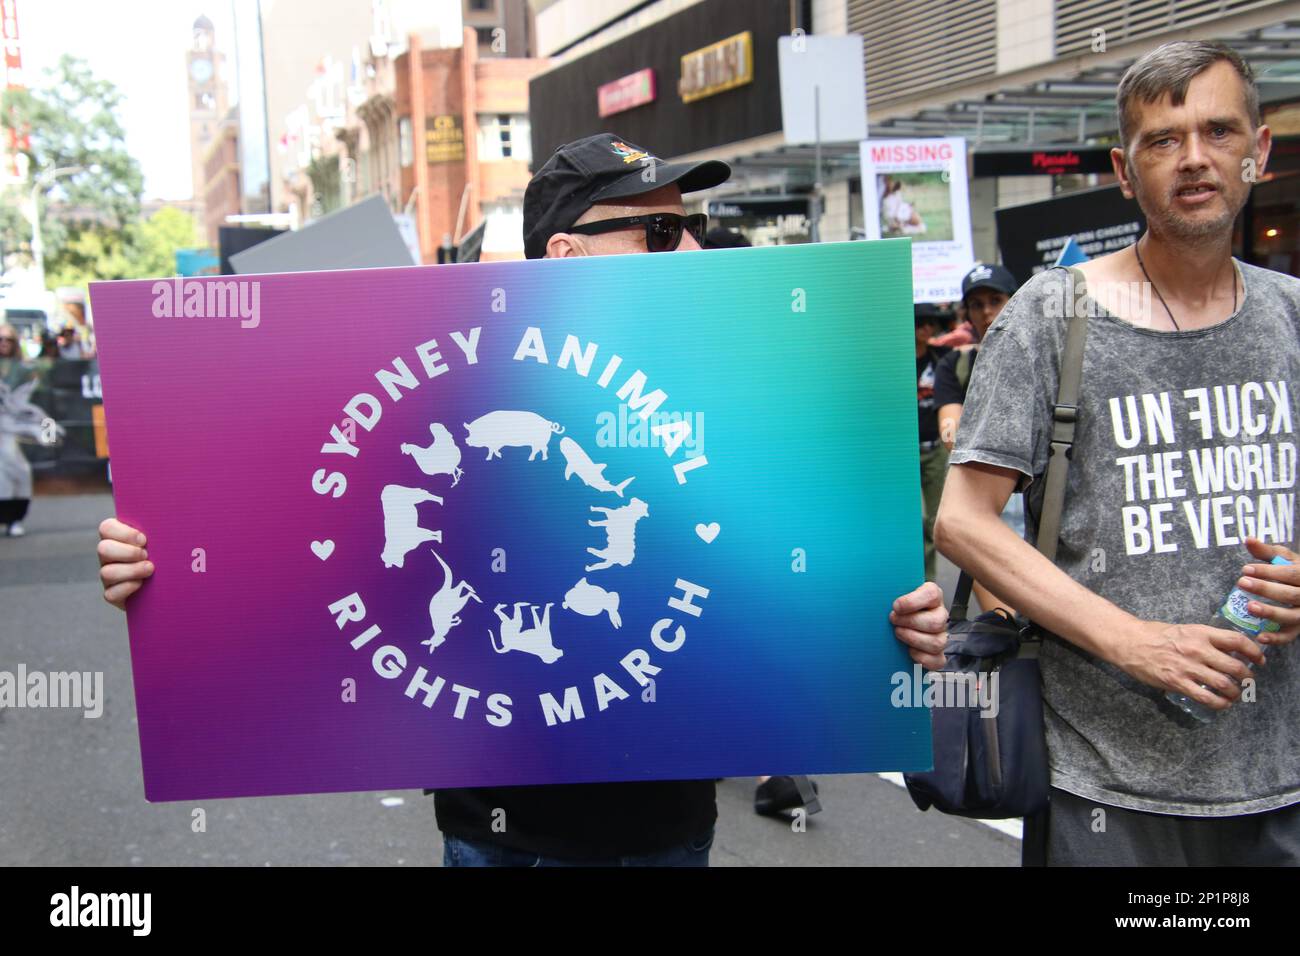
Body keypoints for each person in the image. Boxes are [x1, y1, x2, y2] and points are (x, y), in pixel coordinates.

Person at [98, 132, 952, 868]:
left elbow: (770, 573)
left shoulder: (730, 389)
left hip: (672, 820)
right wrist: (164, 568)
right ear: (567, 255)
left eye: (697, 228)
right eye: (660, 230)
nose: (693, 251)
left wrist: (886, 622)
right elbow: (309, 546)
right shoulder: (450, 386)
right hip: (509, 828)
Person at [936, 41, 1300, 866]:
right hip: (1102, 789)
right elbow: (964, 521)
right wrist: (1133, 640)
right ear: (1125, 170)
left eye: (1219, 131)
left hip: (1281, 780)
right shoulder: (1051, 314)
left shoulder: (1291, 314)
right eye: (1163, 140)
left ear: (1261, 151)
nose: (1196, 159)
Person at [934, 263, 1022, 613]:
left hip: (1049, 499)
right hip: (985, 499)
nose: (987, 312)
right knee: (1005, 625)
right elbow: (950, 428)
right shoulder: (955, 364)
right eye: (977, 304)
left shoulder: (1054, 355)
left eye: (996, 300)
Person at [915, 303, 952, 582]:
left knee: (934, 522)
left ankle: (928, 582)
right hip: (902, 454)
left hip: (934, 450)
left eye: (931, 323)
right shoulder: (895, 361)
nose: (927, 328)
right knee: (907, 521)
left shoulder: (942, 358)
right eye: (920, 323)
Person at [0, 322, 40, 536]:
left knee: (21, 471)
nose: (4, 343)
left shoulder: (24, 369)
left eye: (9, 339)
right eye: (0, 339)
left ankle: (15, 518)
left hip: (12, 428)